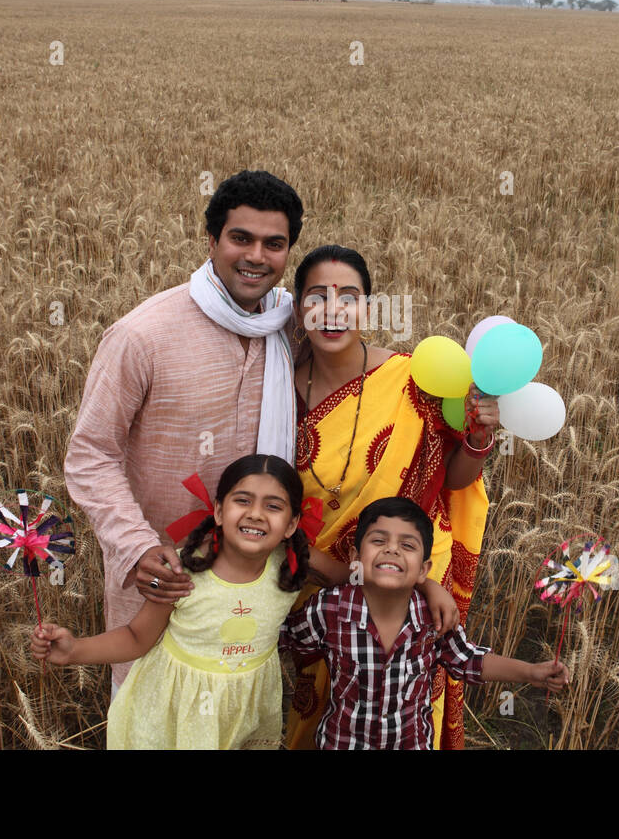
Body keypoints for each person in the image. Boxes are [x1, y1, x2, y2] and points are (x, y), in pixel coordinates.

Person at [63, 170, 305, 697]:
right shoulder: (142, 335)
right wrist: (136, 547)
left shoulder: (289, 327)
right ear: (212, 239)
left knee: (235, 698)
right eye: (241, 238)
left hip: (251, 572)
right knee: (148, 702)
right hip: (162, 568)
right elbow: (91, 454)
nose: (256, 256)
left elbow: (352, 376)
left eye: (274, 243)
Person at [285, 244, 500, 749]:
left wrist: (480, 437)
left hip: (408, 574)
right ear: (298, 308)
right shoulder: (276, 387)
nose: (333, 310)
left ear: (368, 309)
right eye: (317, 297)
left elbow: (450, 480)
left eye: (349, 297)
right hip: (318, 577)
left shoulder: (410, 379)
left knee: (407, 702)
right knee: (323, 703)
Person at [35, 455, 315, 748]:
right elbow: (136, 638)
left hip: (244, 716)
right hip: (176, 718)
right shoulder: (184, 573)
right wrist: (74, 650)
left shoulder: (293, 564)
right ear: (219, 511)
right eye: (243, 501)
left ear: (292, 523)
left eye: (273, 506)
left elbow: (344, 576)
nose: (256, 514)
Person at [280, 497, 569, 749]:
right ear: (355, 559)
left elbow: (467, 661)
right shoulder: (329, 608)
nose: (391, 550)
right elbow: (285, 638)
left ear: (424, 570)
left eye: (407, 545)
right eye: (378, 540)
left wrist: (531, 672)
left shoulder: (433, 618)